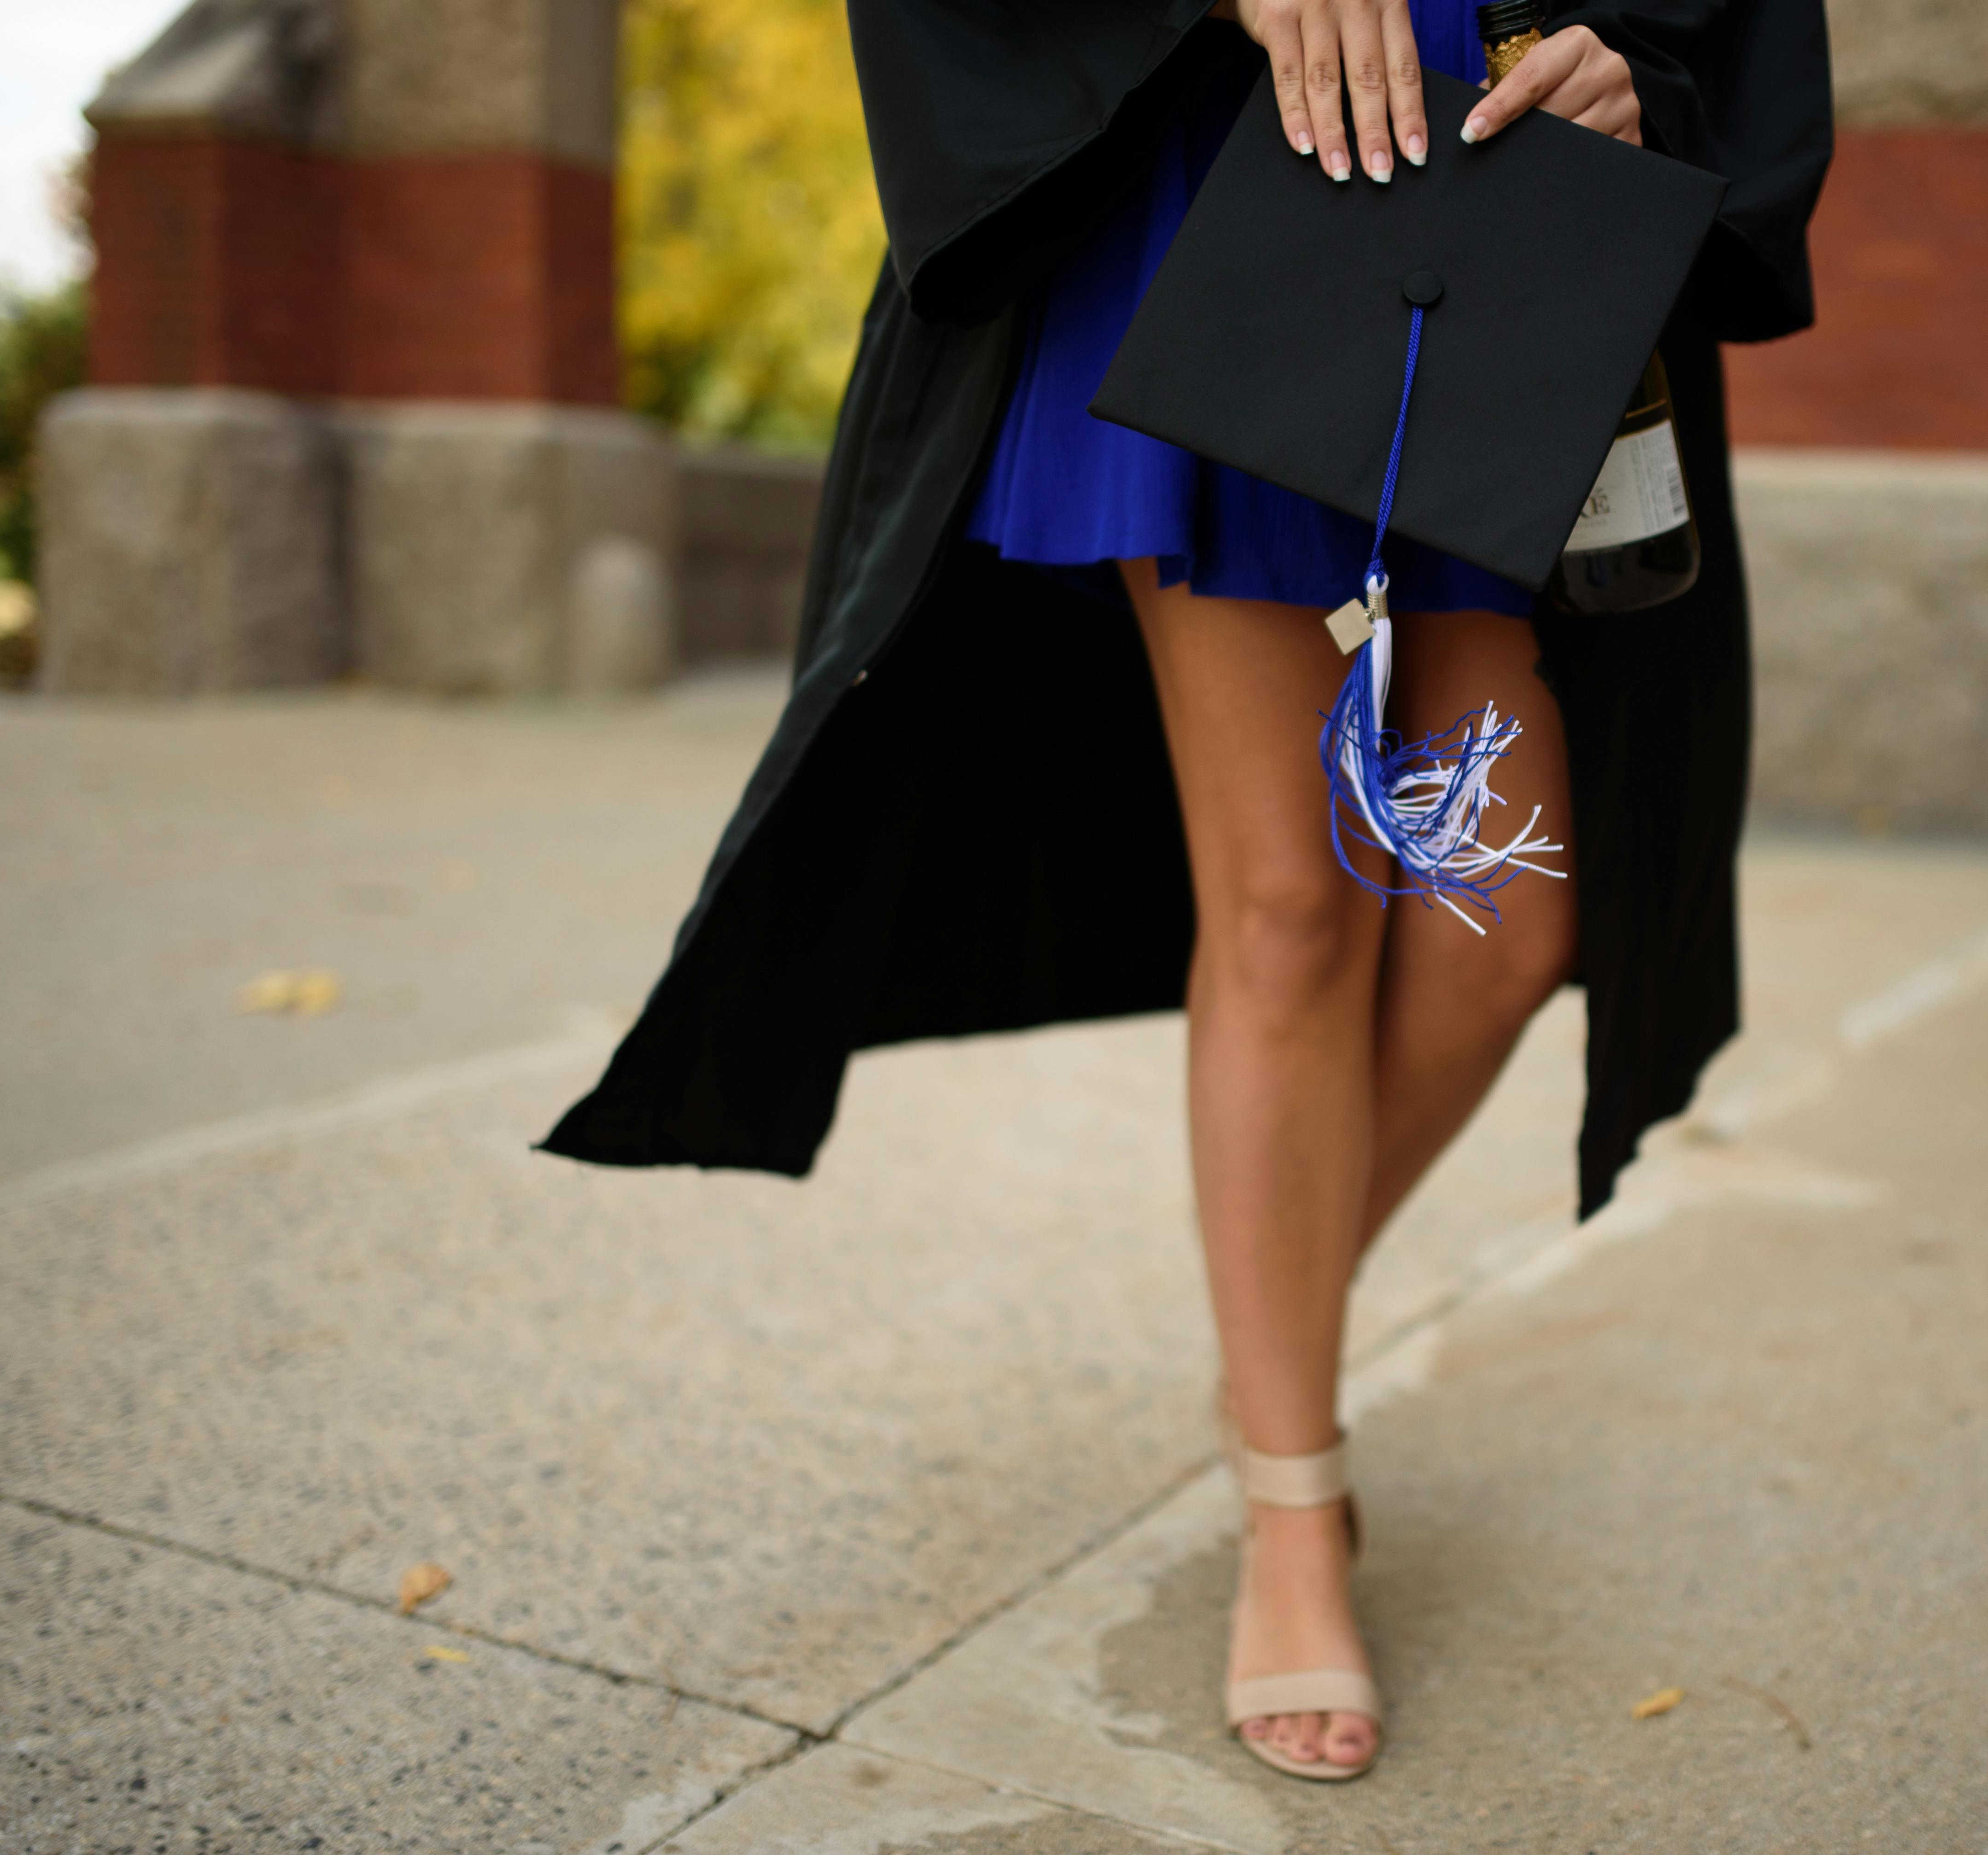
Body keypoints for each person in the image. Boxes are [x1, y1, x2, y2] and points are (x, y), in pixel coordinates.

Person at [545, 0, 1830, 1786]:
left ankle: (1262, 1349)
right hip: (1231, 165)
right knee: (1299, 902)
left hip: (1505, 184)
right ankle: (1296, 1503)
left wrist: (1641, 68)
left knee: (1506, 922)